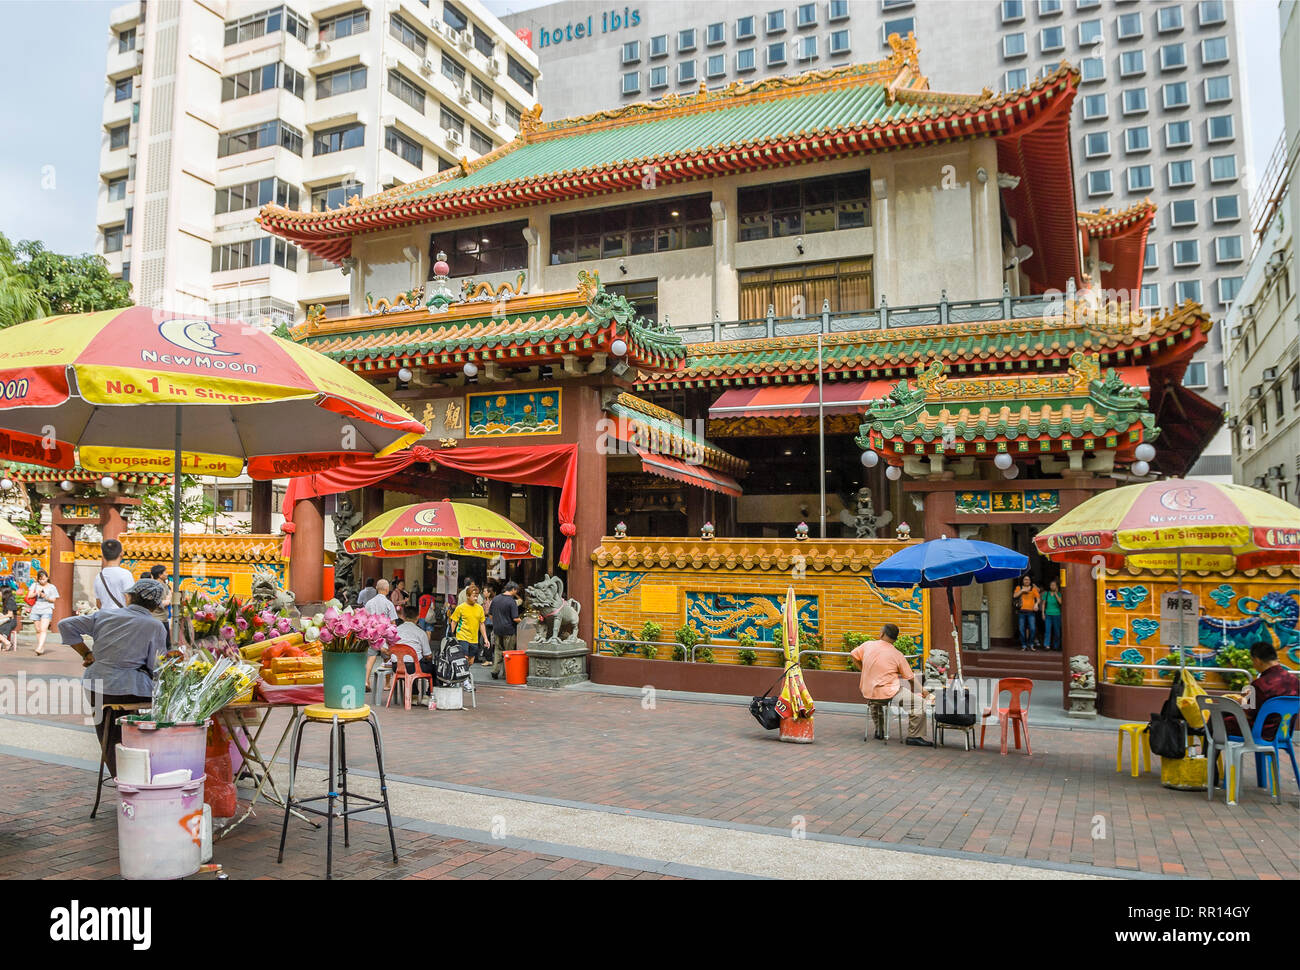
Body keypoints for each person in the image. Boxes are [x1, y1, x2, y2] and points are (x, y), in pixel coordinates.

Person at [59, 578, 169, 775]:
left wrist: (86, 653)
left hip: (97, 684)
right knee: (137, 732)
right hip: (134, 690)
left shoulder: (105, 615)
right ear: (154, 605)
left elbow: (65, 624)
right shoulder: (155, 626)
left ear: (130, 597)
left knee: (108, 736)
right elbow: (156, 666)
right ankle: (139, 773)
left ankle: (119, 774)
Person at [850, 623, 933, 745]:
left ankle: (879, 730)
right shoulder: (897, 654)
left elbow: (853, 655)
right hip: (890, 693)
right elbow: (910, 677)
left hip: (869, 692)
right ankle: (914, 736)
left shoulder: (867, 645)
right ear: (895, 638)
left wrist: (863, 670)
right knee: (919, 703)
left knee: (876, 702)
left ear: (881, 634)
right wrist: (923, 691)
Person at [1226, 642, 1300, 741]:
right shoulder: (1294, 680)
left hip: (1262, 732)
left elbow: (1248, 715)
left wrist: (1241, 702)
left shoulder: (1260, 684)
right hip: (1284, 731)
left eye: (1252, 661)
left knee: (1220, 720)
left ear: (1257, 660)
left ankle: (1208, 754)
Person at [383, 605, 434, 702]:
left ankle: (414, 695)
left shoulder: (395, 630)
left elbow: (385, 649)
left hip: (397, 667)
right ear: (418, 617)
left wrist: (394, 653)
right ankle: (427, 696)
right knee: (432, 668)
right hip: (414, 668)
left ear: (403, 616)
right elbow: (428, 655)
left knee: (409, 666)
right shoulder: (421, 632)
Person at [448, 584, 489, 684]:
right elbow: (454, 621)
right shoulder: (460, 608)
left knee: (471, 661)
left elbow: (482, 624)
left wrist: (486, 639)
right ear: (467, 596)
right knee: (464, 658)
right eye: (473, 596)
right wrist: (451, 635)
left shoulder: (479, 608)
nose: (476, 598)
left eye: (477, 596)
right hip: (462, 636)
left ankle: (462, 674)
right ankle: (465, 679)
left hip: (474, 638)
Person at [363, 579, 398, 690]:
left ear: (377, 589)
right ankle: (387, 684)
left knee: (371, 658)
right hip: (385, 635)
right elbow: (393, 622)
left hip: (372, 635)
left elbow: (365, 619)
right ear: (387, 590)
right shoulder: (389, 604)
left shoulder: (369, 603)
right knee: (387, 658)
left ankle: (366, 681)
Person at [487, 581, 521, 680]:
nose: (516, 592)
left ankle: (495, 670)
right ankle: (506, 673)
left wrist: (496, 623)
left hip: (497, 629)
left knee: (498, 650)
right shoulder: (512, 601)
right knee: (508, 652)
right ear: (513, 590)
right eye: (516, 590)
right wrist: (522, 620)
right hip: (509, 630)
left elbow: (490, 614)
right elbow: (515, 618)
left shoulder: (496, 598)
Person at [93, 539, 135, 611]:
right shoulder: (125, 574)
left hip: (104, 617)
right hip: (121, 618)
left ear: (103, 555)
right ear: (121, 553)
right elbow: (129, 599)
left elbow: (98, 603)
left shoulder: (98, 576)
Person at [29, 568, 58, 655]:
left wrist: (45, 596)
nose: (42, 581)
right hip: (36, 609)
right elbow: (29, 595)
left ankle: (39, 647)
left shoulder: (52, 587)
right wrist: (36, 593)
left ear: (47, 578)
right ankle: (41, 646)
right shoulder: (34, 585)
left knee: (43, 629)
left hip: (47, 609)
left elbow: (53, 600)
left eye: (44, 579)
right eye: (40, 579)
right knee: (38, 629)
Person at [1013, 575, 1040, 651]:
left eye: (1028, 579)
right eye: (1025, 579)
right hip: (1021, 612)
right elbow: (1014, 596)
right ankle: (1024, 645)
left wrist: (1036, 604)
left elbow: (1038, 598)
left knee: (1032, 629)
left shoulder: (1033, 589)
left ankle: (1031, 644)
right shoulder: (1019, 588)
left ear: (1030, 581)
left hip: (1031, 612)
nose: (1027, 581)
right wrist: (1022, 591)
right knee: (1021, 629)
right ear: (1023, 581)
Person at [1040, 579, 1063, 652]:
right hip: (1048, 614)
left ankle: (1056, 646)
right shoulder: (1046, 594)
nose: (1052, 586)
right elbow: (1043, 604)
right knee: (1047, 630)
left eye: (1053, 585)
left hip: (1057, 614)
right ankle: (1047, 645)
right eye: (1051, 585)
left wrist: (1056, 594)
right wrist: (1043, 613)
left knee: (1057, 631)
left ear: (1056, 586)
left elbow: (1060, 602)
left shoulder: (1059, 594)